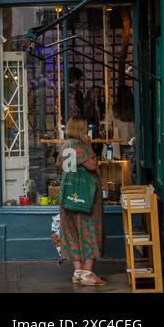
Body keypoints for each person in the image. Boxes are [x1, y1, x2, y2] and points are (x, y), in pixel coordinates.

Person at [58, 116, 106, 286]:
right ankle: (87, 272)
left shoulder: (64, 145)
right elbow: (92, 165)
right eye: (85, 127)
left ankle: (78, 271)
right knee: (90, 230)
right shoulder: (79, 146)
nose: (87, 130)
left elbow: (61, 165)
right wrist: (89, 145)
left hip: (68, 195)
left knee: (71, 232)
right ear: (80, 129)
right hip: (85, 197)